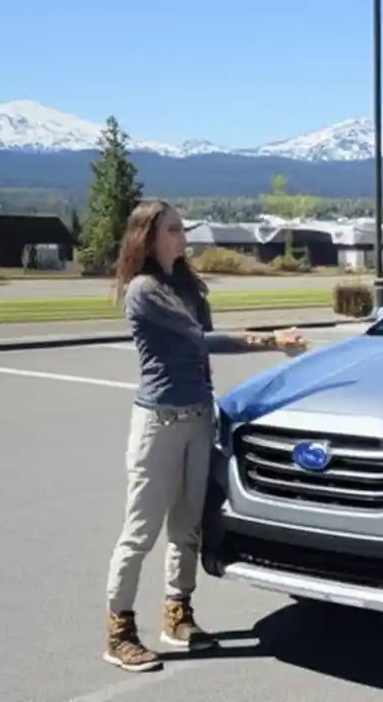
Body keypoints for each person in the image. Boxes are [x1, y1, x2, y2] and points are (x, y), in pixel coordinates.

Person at [102, 199, 308, 673]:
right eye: (173, 229)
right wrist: (272, 339)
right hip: (159, 423)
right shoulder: (143, 290)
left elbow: (205, 349)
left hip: (197, 418)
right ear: (148, 237)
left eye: (182, 228)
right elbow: (200, 338)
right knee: (140, 532)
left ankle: (177, 615)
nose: (183, 236)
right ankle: (119, 631)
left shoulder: (189, 286)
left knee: (187, 529)